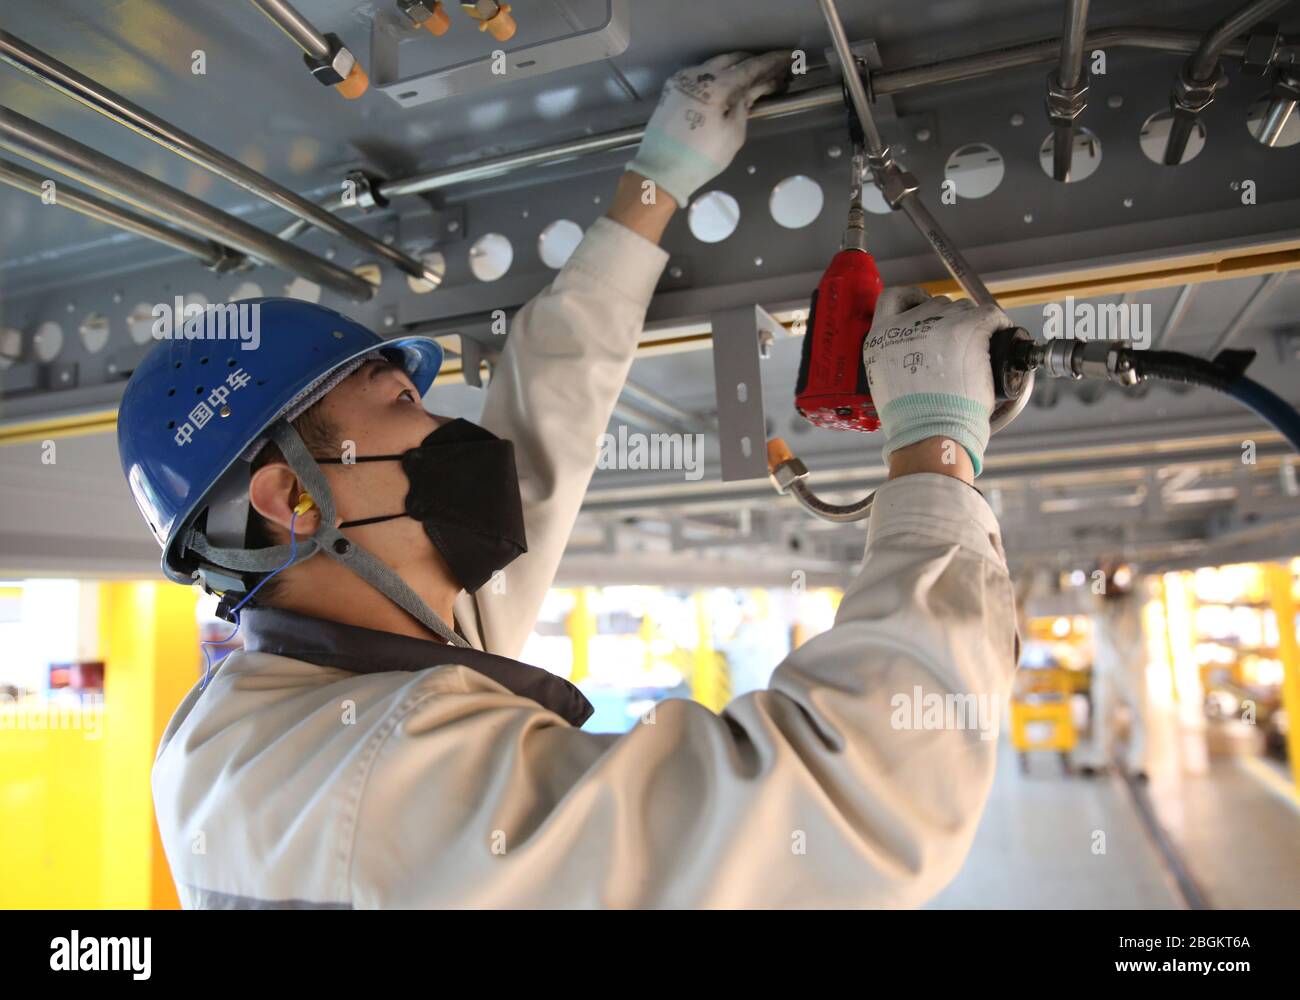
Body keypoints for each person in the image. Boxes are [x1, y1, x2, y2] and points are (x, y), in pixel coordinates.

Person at [117, 52, 1019, 908]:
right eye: (401, 403)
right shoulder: (377, 773)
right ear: (296, 498)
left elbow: (541, 428)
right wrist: (935, 453)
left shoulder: (281, 714)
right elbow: (853, 802)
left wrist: (653, 187)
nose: (448, 433)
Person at [1078, 567, 1150, 780]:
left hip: (1132, 669)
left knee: (1141, 716)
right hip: (1107, 671)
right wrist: (1099, 571)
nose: (1112, 587)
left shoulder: (1132, 603)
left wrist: (1129, 563)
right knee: (1104, 715)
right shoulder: (1101, 608)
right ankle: (1101, 759)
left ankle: (1138, 763)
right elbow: (1091, 599)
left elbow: (1143, 590)